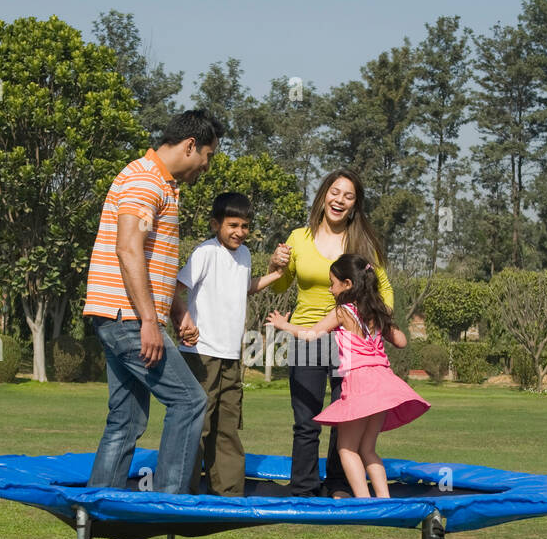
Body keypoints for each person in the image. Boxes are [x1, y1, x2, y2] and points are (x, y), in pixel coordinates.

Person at [81, 110, 222, 494]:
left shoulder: (158, 182)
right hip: (128, 320)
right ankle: (169, 501)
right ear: (190, 146)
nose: (206, 167)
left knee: (125, 419)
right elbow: (128, 249)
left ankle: (98, 510)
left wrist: (174, 310)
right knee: (190, 402)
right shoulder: (146, 180)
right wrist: (148, 321)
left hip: (119, 316)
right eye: (207, 156)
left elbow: (149, 260)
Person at [269, 169, 394, 496]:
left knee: (347, 418)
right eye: (335, 192)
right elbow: (282, 283)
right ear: (324, 195)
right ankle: (304, 488)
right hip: (309, 336)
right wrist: (275, 264)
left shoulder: (363, 243)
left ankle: (340, 484)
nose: (339, 200)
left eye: (348, 196)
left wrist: (380, 321)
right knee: (306, 421)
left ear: (355, 205)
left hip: (350, 342)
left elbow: (384, 289)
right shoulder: (299, 238)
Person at [268, 254, 428, 499]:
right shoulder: (378, 311)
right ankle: (384, 499)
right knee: (368, 449)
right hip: (383, 384)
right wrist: (385, 323)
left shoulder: (344, 312)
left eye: (333, 283)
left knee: (346, 448)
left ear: (347, 285)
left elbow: (312, 334)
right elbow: (402, 341)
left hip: (360, 384)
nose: (331, 289)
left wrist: (283, 325)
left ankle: (363, 500)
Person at [175, 192, 286, 495]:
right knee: (199, 425)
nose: (239, 231)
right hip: (201, 354)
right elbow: (178, 287)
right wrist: (183, 321)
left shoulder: (246, 255)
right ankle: (180, 490)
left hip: (230, 355)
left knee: (227, 425)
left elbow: (245, 288)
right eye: (233, 224)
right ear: (216, 224)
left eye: (246, 226)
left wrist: (274, 274)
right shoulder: (205, 253)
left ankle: (229, 493)